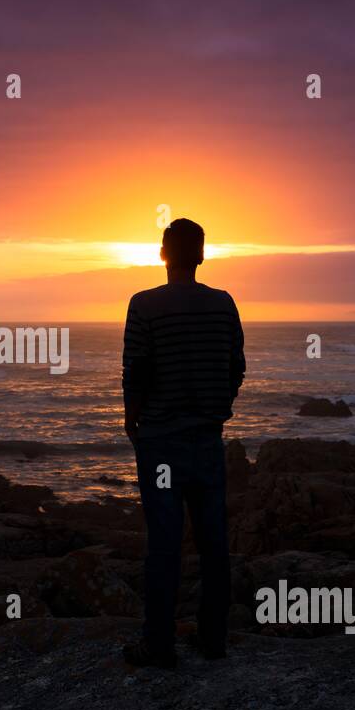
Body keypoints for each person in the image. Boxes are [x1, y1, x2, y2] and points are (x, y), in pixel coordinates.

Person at [121, 218, 245, 668]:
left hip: (160, 442)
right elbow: (237, 366)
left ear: (162, 254)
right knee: (214, 542)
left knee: (164, 544)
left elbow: (135, 370)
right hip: (207, 440)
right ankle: (213, 639)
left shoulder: (144, 305)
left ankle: (159, 645)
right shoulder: (223, 304)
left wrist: (132, 421)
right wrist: (219, 407)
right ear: (201, 255)